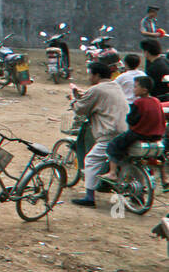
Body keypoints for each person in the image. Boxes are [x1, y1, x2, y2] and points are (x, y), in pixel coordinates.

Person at [69, 61, 130, 208]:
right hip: (125, 130)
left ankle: (89, 197)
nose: (89, 77)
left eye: (90, 74)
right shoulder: (115, 86)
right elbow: (95, 97)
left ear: (96, 75)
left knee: (90, 160)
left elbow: (81, 108)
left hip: (109, 132)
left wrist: (72, 100)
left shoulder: (96, 90)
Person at [103, 75, 166, 176]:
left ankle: (112, 173)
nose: (133, 89)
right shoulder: (156, 101)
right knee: (159, 155)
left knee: (113, 145)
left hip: (140, 134)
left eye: (136, 87)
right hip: (157, 135)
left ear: (144, 90)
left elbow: (131, 120)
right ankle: (165, 178)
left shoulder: (139, 102)